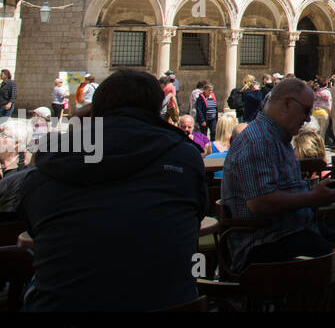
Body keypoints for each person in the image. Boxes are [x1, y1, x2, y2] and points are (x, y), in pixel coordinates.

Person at [1, 69, 207, 310]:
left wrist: (76, 126)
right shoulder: (185, 157)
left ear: (95, 112)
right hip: (167, 306)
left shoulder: (52, 163)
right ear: (156, 110)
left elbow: (26, 210)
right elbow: (197, 214)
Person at [220, 76, 335, 273]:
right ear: (287, 104)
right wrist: (312, 197)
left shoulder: (277, 137)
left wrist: (314, 191)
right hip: (265, 242)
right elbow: (261, 201)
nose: (307, 118)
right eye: (306, 111)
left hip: (291, 232)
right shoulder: (258, 141)